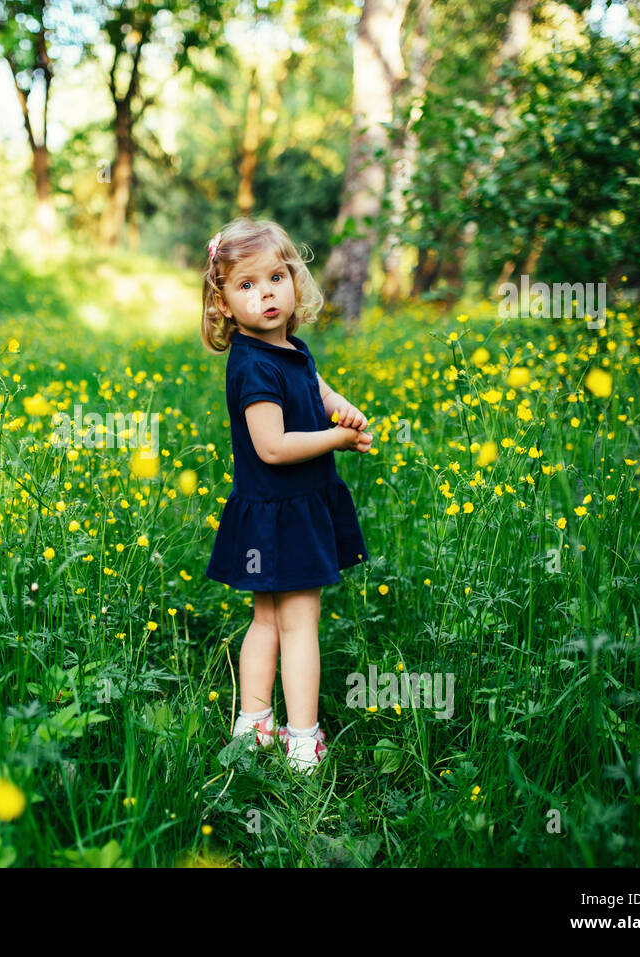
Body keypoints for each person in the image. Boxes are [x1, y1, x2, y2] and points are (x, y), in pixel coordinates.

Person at [200, 217, 372, 774]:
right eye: (245, 285)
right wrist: (337, 439)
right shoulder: (252, 366)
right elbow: (271, 447)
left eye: (276, 276)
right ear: (222, 302)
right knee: (296, 624)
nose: (266, 293)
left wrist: (342, 409)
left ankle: (253, 726)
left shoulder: (288, 347)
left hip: (285, 510)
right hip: (282, 515)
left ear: (295, 280)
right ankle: (303, 739)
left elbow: (315, 389)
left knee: (269, 621)